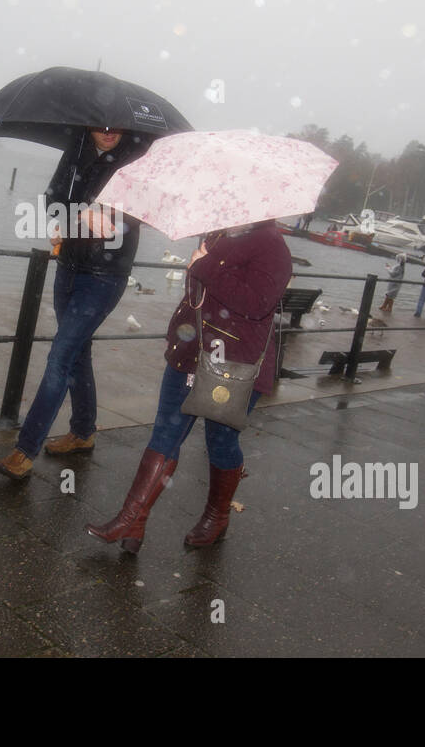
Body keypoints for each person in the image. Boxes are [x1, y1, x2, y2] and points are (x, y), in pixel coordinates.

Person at [85, 219, 292, 553]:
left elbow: (257, 304)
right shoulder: (220, 232)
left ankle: (217, 515)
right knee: (164, 435)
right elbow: (202, 292)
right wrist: (197, 269)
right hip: (190, 351)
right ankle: (131, 519)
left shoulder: (272, 247)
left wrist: (204, 265)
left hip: (231, 361)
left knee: (221, 442)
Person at [0, 126, 146, 479]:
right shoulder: (76, 150)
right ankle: (83, 432)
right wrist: (71, 220)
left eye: (116, 126)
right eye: (101, 125)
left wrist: (100, 219)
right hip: (69, 266)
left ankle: (25, 449)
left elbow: (126, 222)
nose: (108, 133)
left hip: (105, 276)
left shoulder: (135, 161)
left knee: (60, 356)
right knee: (78, 352)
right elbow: (53, 200)